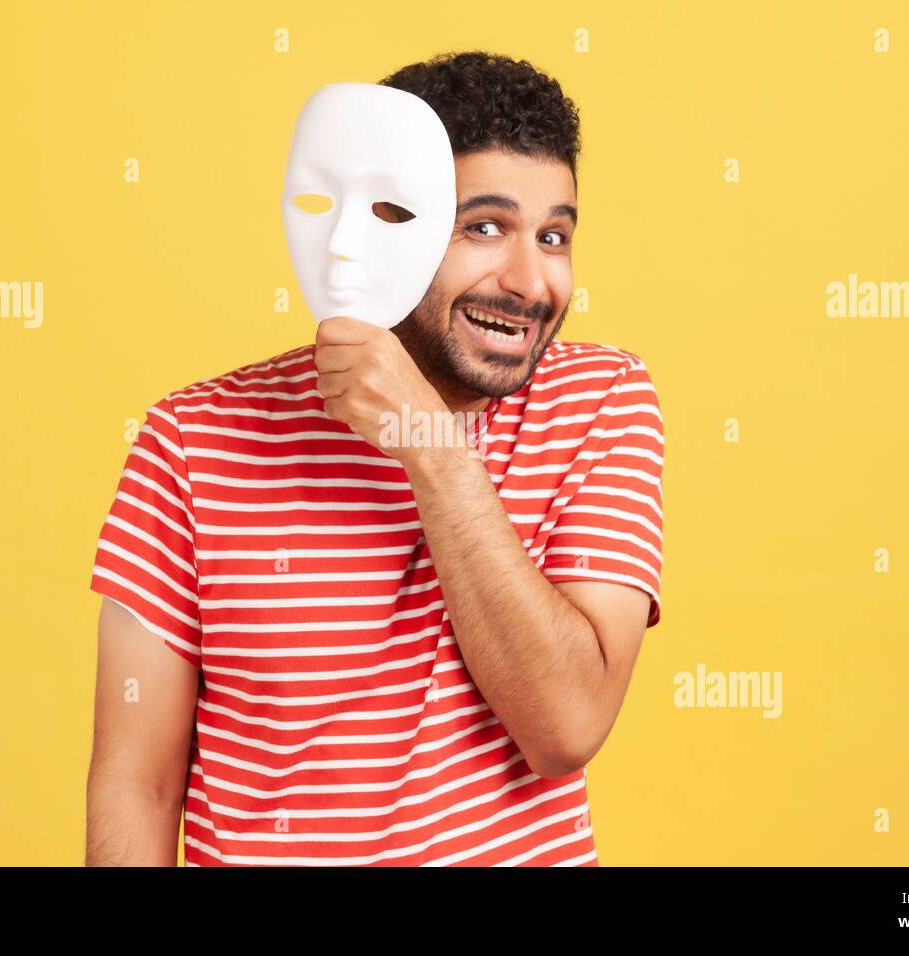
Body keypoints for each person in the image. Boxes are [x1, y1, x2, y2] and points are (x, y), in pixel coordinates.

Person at [85, 50, 665, 866]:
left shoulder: (602, 399)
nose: (530, 281)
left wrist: (429, 444)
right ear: (387, 220)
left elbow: (567, 726)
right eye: (484, 227)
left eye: (554, 236)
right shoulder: (192, 440)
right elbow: (136, 783)